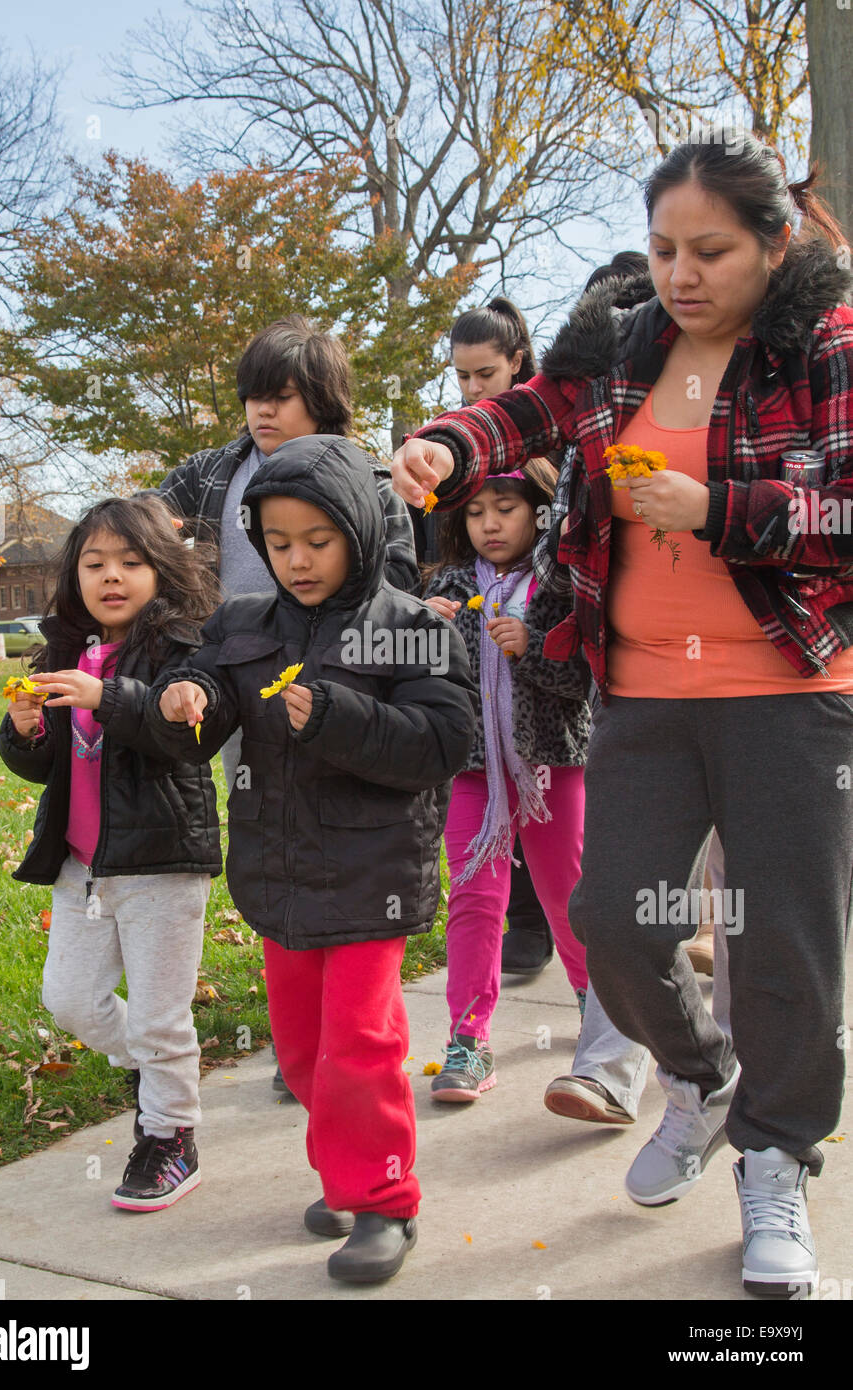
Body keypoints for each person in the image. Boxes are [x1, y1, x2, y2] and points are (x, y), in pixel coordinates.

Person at [389, 131, 853, 1298]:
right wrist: (447, 444)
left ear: (773, 243)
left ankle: (777, 1157)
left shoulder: (826, 342)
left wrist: (720, 505)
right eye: (662, 250)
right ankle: (698, 1078)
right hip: (641, 689)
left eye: (710, 250)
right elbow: (530, 412)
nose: (681, 274)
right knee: (613, 914)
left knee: (785, 942)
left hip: (791, 694)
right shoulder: (627, 341)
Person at [144, 435, 476, 1283]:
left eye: (317, 542)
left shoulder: (410, 629)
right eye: (279, 542)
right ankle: (346, 1170)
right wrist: (187, 698)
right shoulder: (244, 623)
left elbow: (442, 742)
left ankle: (384, 1200)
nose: (296, 560)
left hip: (373, 876)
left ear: (361, 532)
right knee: (299, 1051)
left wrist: (334, 716)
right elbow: (210, 689)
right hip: (280, 873)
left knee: (357, 1044)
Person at [154, 314, 420, 1097]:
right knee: (270, 834)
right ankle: (302, 1033)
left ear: (323, 400)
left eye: (280, 397)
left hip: (336, 695)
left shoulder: (369, 483)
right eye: (252, 398)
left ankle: (358, 1024)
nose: (261, 413)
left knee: (345, 839)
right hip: (236, 680)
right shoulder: (213, 472)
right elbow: (141, 519)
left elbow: (396, 580)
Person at [0, 497, 223, 1211]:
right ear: (74, 577)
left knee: (160, 1017)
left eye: (131, 563)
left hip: (160, 861)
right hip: (80, 866)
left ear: (161, 570)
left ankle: (169, 1135)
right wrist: (27, 733)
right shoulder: (62, 653)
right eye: (95, 564)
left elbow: (182, 731)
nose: (112, 577)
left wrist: (116, 697)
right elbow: (46, 768)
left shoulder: (181, 651)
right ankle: (161, 1075)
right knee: (67, 1000)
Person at [423, 460, 593, 1099]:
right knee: (472, 897)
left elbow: (580, 682)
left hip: (551, 764)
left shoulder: (560, 584)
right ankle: (468, 1039)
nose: (489, 524)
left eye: (506, 508)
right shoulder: (449, 585)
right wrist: (423, 634)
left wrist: (534, 643)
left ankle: (594, 1004)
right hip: (471, 770)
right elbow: (423, 685)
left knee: (567, 894)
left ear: (540, 512)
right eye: (474, 512)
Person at [431, 297, 556, 976]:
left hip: (546, 659)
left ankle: (549, 932)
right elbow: (446, 542)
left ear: (518, 362)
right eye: (462, 379)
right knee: (489, 787)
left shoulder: (551, 434)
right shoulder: (456, 444)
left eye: (486, 374)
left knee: (548, 811)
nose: (474, 391)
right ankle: (519, 925)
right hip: (478, 665)